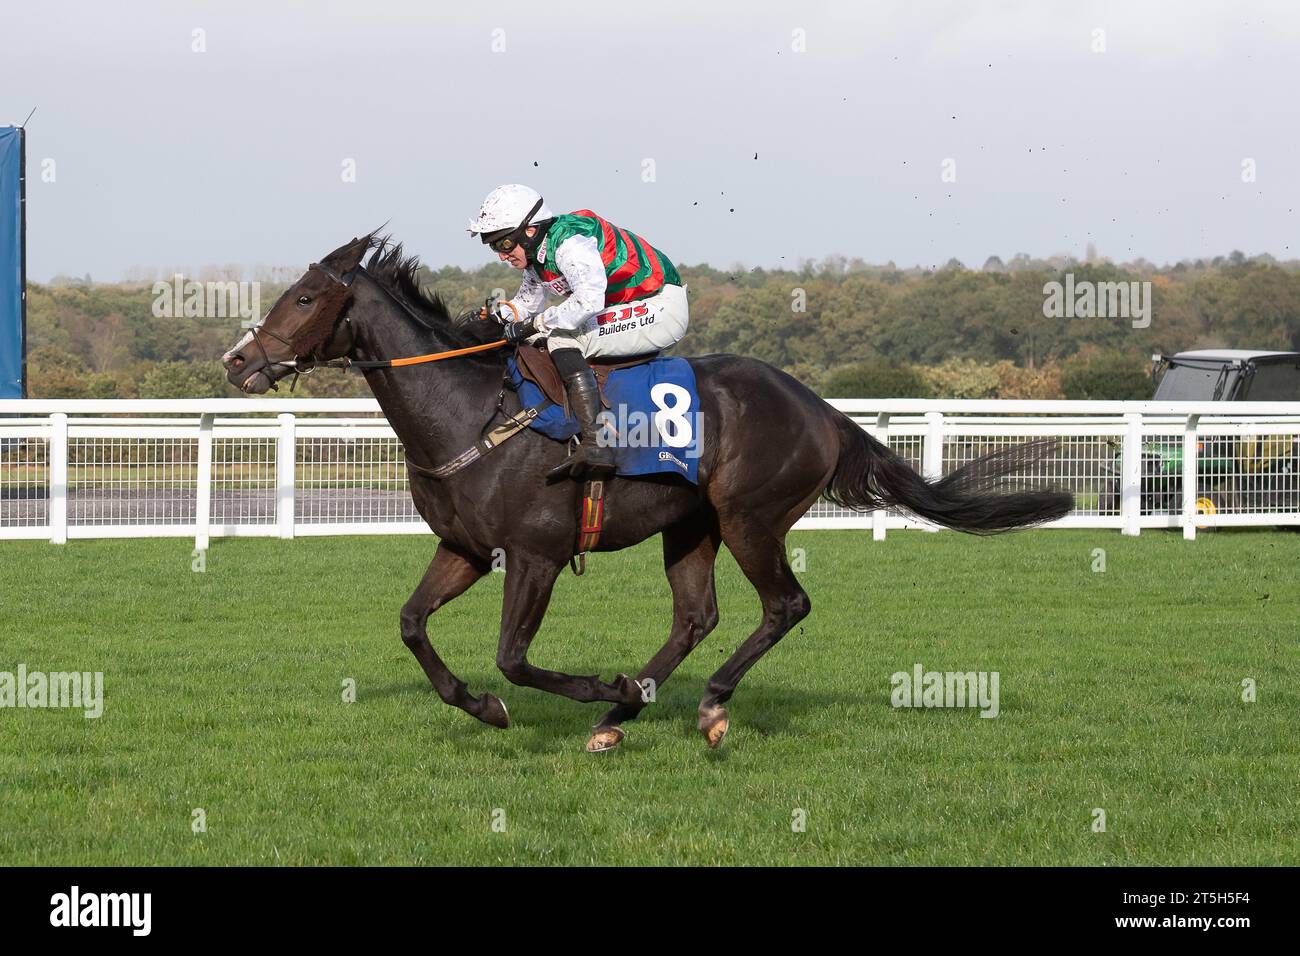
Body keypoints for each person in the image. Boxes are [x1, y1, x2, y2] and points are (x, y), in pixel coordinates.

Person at [465, 184, 688, 479]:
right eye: (494, 246)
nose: (501, 256)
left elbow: (588, 301)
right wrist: (494, 317)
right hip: (632, 308)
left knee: (558, 336)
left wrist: (537, 323)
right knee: (537, 336)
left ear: (530, 231)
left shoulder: (570, 244)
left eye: (504, 244)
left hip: (661, 307)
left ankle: (596, 442)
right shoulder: (537, 261)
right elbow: (525, 304)